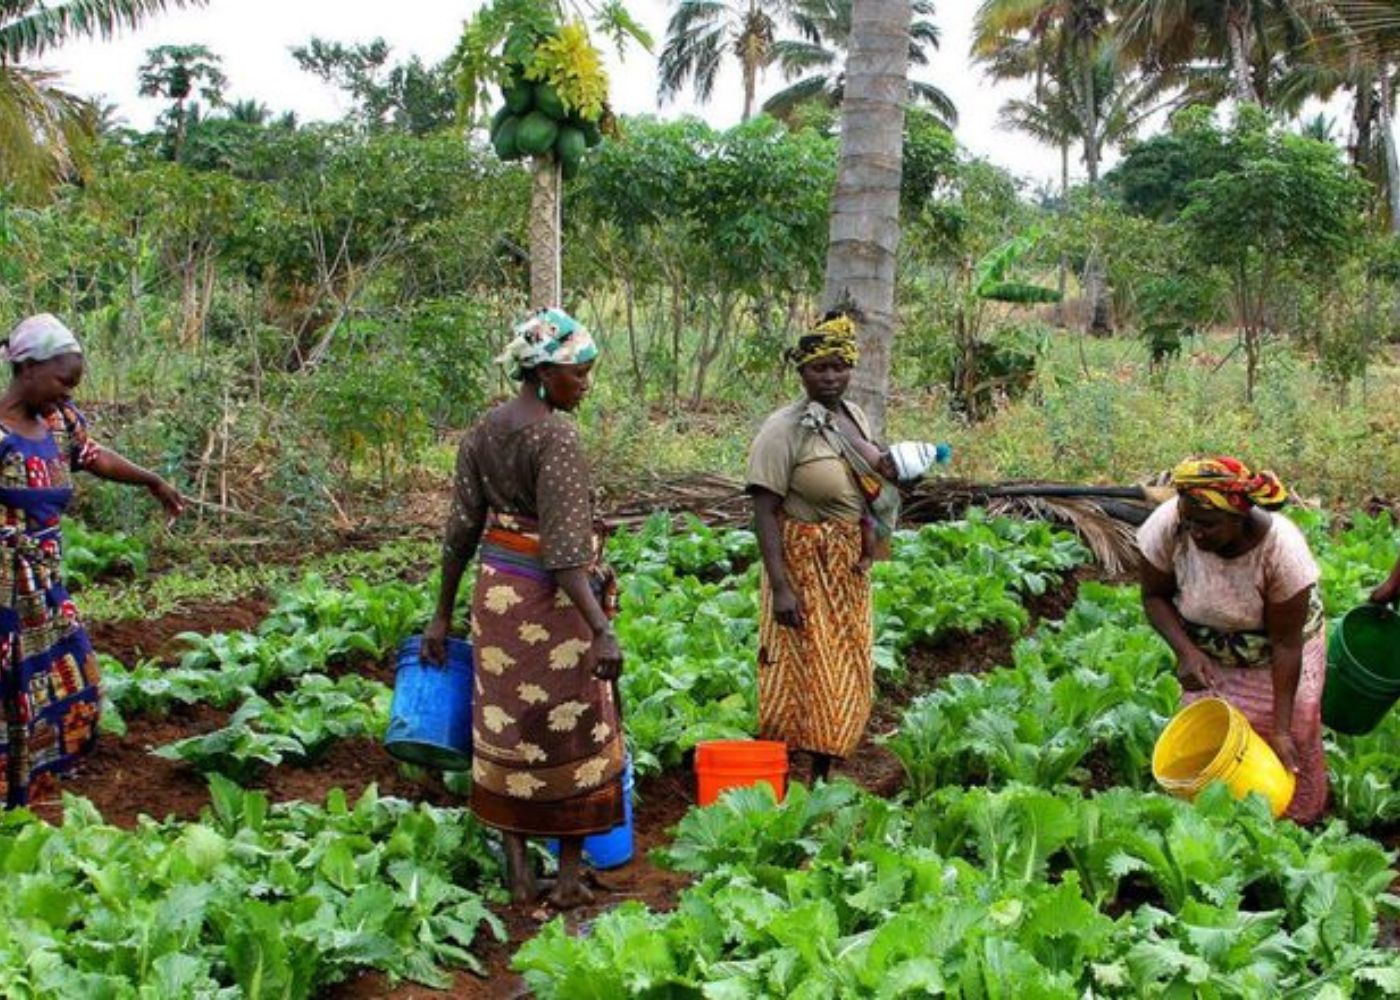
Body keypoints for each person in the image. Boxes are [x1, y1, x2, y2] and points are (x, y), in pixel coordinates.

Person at [422, 308, 623, 911]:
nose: (585, 385)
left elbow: (461, 530)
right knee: (571, 729)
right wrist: (602, 629)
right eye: (578, 374)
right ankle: (563, 882)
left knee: (506, 728)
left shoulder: (484, 431)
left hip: (498, 600)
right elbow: (564, 555)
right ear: (542, 373)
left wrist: (441, 614)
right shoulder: (555, 436)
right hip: (552, 604)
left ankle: (516, 874)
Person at [0, 314, 184, 808]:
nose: (67, 394)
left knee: (73, 681)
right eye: (62, 381)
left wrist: (152, 480)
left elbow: (93, 455)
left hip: (45, 583)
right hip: (4, 589)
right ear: (28, 367)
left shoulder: (59, 422)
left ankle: (33, 790)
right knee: (8, 694)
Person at [1138, 456, 1328, 823]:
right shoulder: (1168, 527)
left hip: (1279, 652)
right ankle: (1216, 822)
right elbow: (1154, 596)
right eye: (1188, 520)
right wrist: (1186, 653)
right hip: (1208, 651)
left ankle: (1300, 822)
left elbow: (1287, 646)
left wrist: (1282, 728)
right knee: (1211, 735)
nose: (1195, 532)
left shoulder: (1282, 551)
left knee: (1292, 736)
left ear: (1239, 516)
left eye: (1207, 524)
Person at [746, 312, 892, 784]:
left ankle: (823, 774)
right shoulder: (782, 430)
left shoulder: (855, 417)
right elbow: (764, 512)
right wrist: (781, 587)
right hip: (803, 565)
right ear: (801, 372)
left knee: (845, 669)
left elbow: (870, 487)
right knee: (800, 673)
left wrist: (872, 542)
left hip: (846, 566)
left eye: (838, 367)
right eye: (818, 369)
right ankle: (784, 777)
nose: (830, 377)